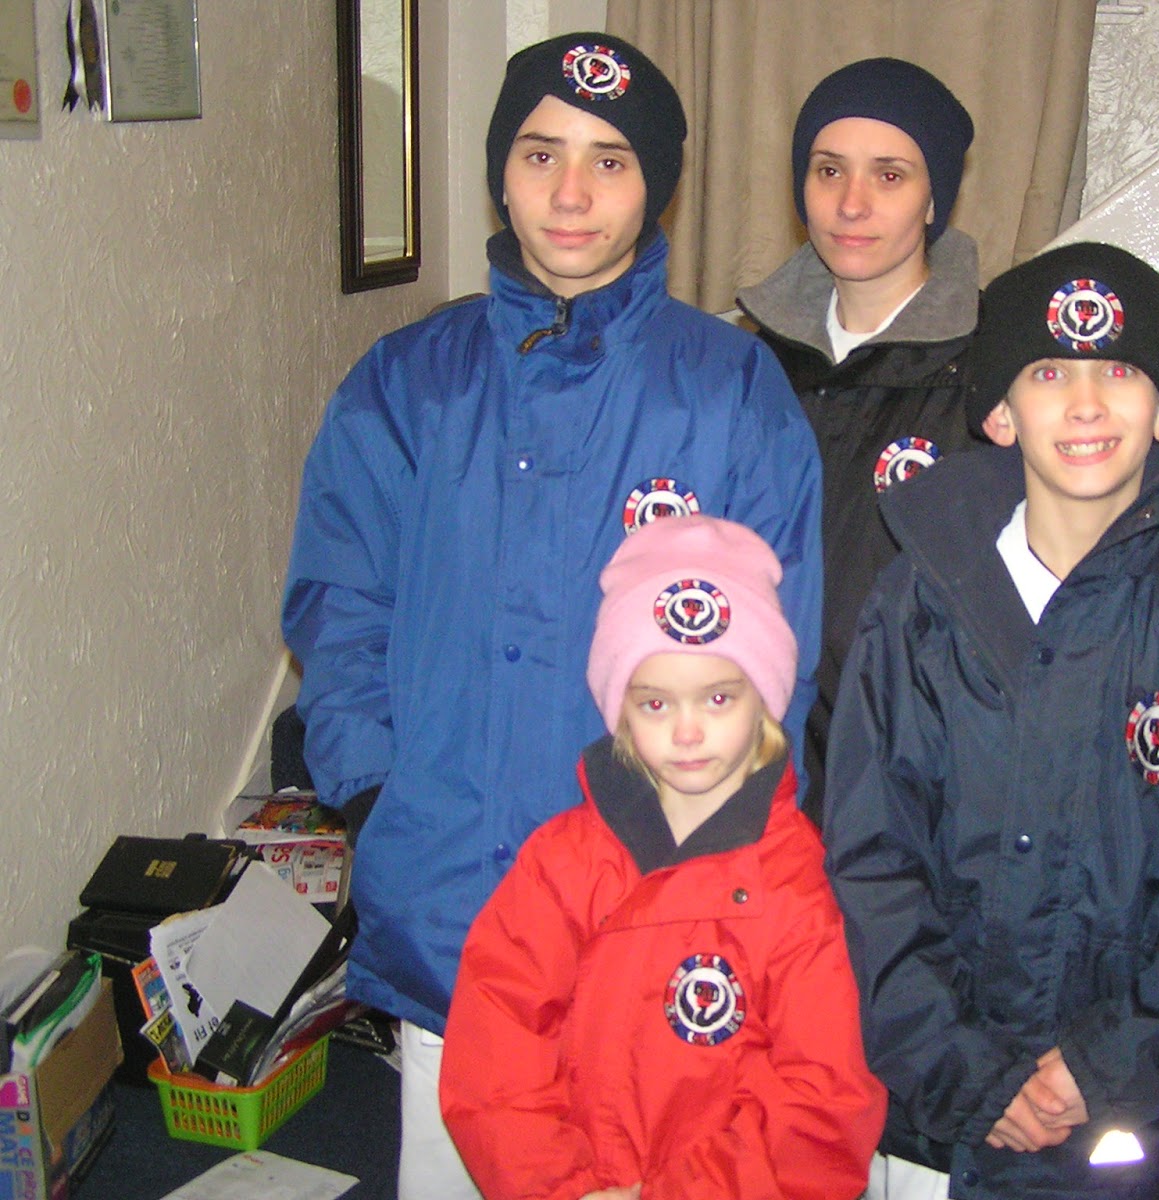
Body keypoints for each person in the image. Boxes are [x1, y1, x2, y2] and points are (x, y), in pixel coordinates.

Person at [281, 33, 821, 1199]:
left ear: (653, 185)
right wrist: (379, 787)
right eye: (541, 153)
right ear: (501, 168)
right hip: (455, 892)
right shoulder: (405, 384)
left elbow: (780, 662)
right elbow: (340, 604)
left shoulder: (727, 391)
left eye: (610, 161)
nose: (571, 193)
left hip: (655, 910)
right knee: (462, 1161)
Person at [823, 241, 1159, 1199]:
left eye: (1121, 371)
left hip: (1130, 1117)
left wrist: (1106, 1062)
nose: (1087, 403)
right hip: (935, 1116)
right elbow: (868, 857)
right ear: (1000, 413)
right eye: (1049, 371)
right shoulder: (914, 606)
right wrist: (962, 1065)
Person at [440, 515, 886, 1200]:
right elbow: (496, 1047)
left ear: (763, 699)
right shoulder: (563, 863)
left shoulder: (795, 886)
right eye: (654, 703)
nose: (686, 731)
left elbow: (820, 1103)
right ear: (620, 711)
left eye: (717, 697)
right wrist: (563, 1188)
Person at [737, 57, 984, 821]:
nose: (850, 203)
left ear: (933, 196)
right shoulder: (738, 366)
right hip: (747, 785)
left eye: (889, 175)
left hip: (914, 800)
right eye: (828, 170)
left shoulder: (992, 383)